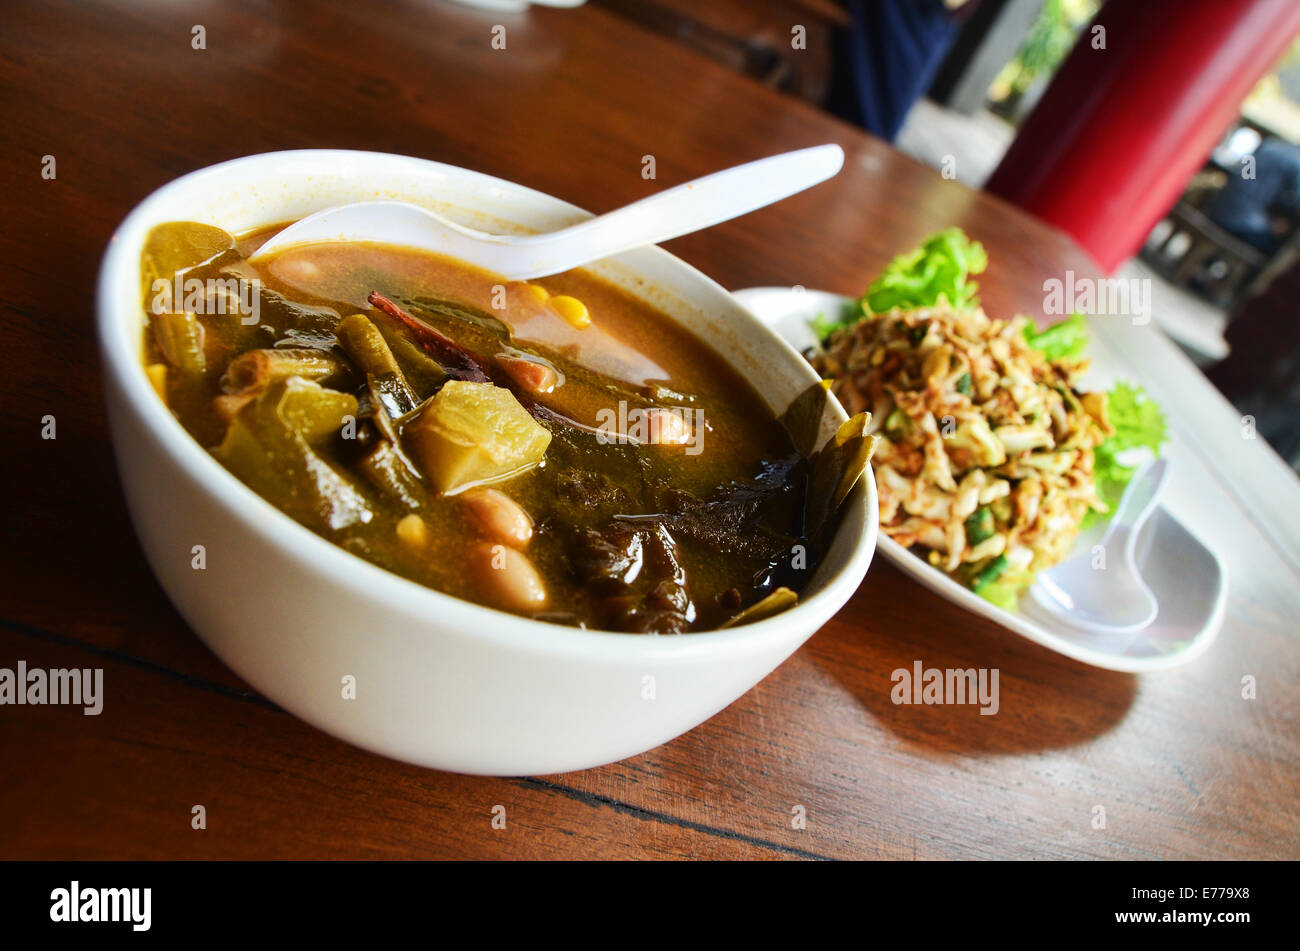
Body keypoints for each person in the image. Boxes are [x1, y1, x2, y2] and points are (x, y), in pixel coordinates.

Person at [1204, 136, 1300, 255]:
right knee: (1279, 250)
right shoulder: (1297, 162)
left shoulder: (1270, 144)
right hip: (1244, 226)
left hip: (1217, 209)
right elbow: (1295, 202)